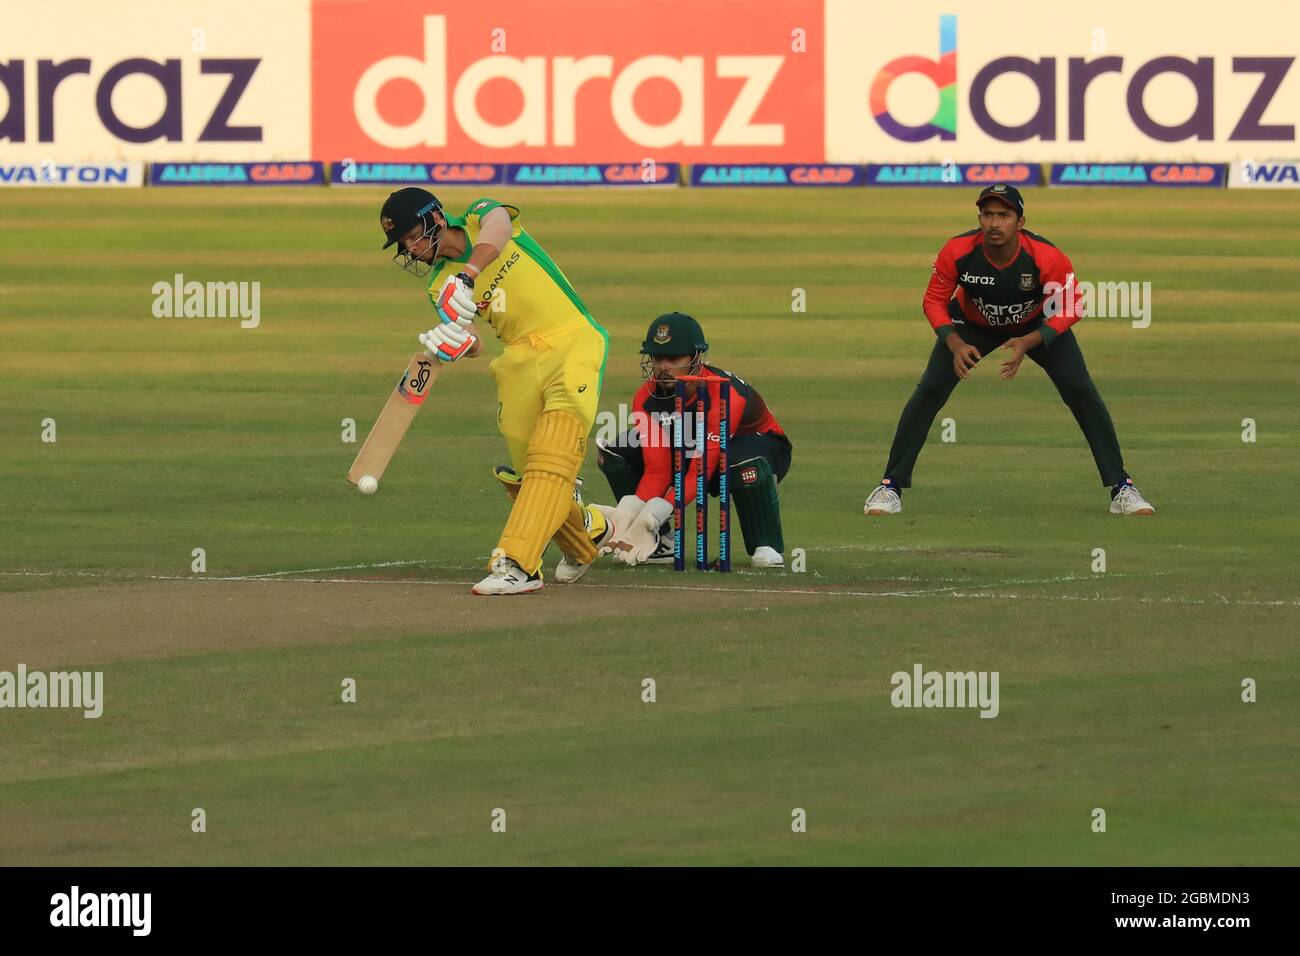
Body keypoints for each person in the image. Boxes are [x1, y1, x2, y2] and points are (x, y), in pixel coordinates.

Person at [863, 183, 1155, 517]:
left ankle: (1122, 487)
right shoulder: (958, 250)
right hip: (972, 325)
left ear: (1020, 221)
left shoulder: (1046, 256)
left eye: (1004, 215)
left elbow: (1071, 306)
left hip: (1036, 325)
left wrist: (1030, 341)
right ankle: (890, 487)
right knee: (930, 389)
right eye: (988, 215)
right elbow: (933, 300)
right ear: (980, 218)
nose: (995, 223)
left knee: (1080, 390)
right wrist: (955, 344)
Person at [379, 187, 611, 594]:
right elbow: (475, 339)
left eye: (412, 237)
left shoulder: (477, 217)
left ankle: (517, 565)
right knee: (529, 478)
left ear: (435, 219)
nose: (410, 250)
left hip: (571, 340)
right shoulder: (438, 285)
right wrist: (457, 343)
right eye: (402, 245)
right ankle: (588, 532)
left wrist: (468, 275)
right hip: (518, 362)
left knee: (551, 458)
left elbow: (499, 223)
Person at [594, 312, 791, 569]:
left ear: (696, 358)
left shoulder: (723, 392)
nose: (664, 366)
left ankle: (767, 544)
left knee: (740, 459)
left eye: (674, 358)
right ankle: (661, 541)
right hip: (692, 445)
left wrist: (657, 510)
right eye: (657, 357)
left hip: (758, 446)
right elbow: (658, 469)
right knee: (620, 449)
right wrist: (630, 513)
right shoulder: (645, 397)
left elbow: (702, 468)